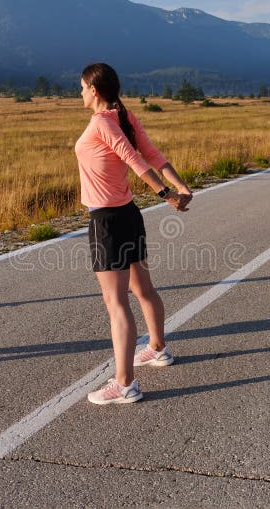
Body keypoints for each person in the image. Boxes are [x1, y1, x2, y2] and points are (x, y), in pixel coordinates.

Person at [77, 63, 193, 405]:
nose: (80, 93)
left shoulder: (102, 122)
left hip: (107, 221)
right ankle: (158, 349)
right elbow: (154, 156)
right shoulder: (124, 118)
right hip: (128, 216)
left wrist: (167, 195)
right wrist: (180, 185)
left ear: (94, 90)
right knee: (142, 288)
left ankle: (125, 384)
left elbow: (135, 160)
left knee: (117, 303)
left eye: (82, 88)